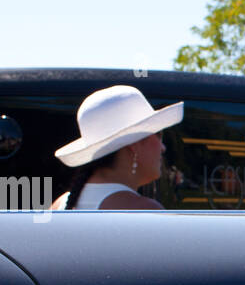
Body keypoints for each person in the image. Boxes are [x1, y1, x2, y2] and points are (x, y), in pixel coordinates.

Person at [51, 85, 183, 210]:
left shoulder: (60, 204)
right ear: (134, 144)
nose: (163, 147)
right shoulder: (143, 210)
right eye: (158, 134)